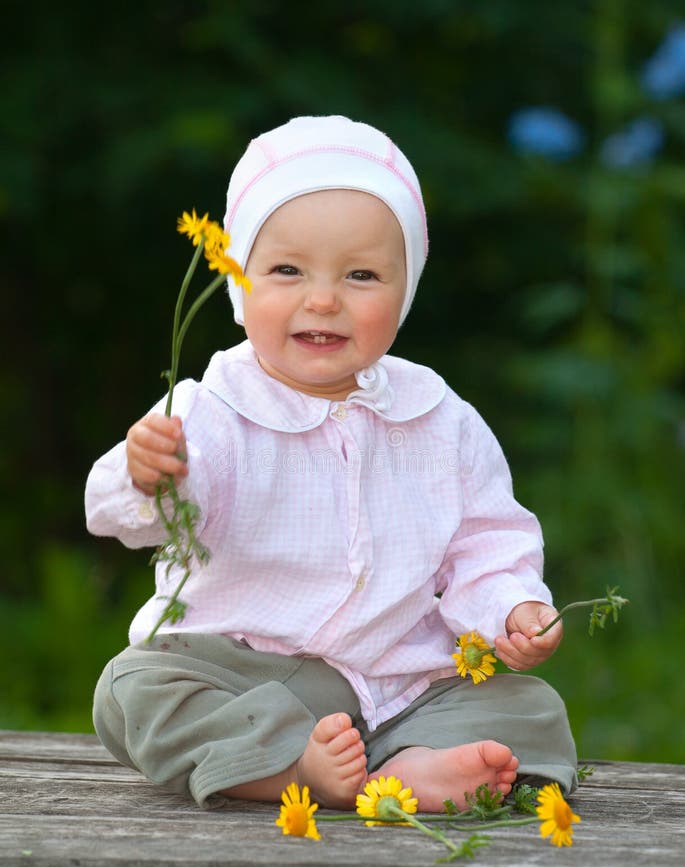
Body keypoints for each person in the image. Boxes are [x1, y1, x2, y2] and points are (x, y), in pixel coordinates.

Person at [86, 115, 577, 813]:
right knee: (133, 691)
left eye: (362, 275)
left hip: (402, 682)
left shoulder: (439, 418)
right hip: (252, 677)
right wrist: (145, 475)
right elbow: (125, 518)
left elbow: (486, 544)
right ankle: (289, 767)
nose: (323, 298)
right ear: (238, 280)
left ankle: (406, 766)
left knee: (531, 708)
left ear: (403, 293)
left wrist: (512, 609)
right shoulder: (213, 411)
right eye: (287, 269)